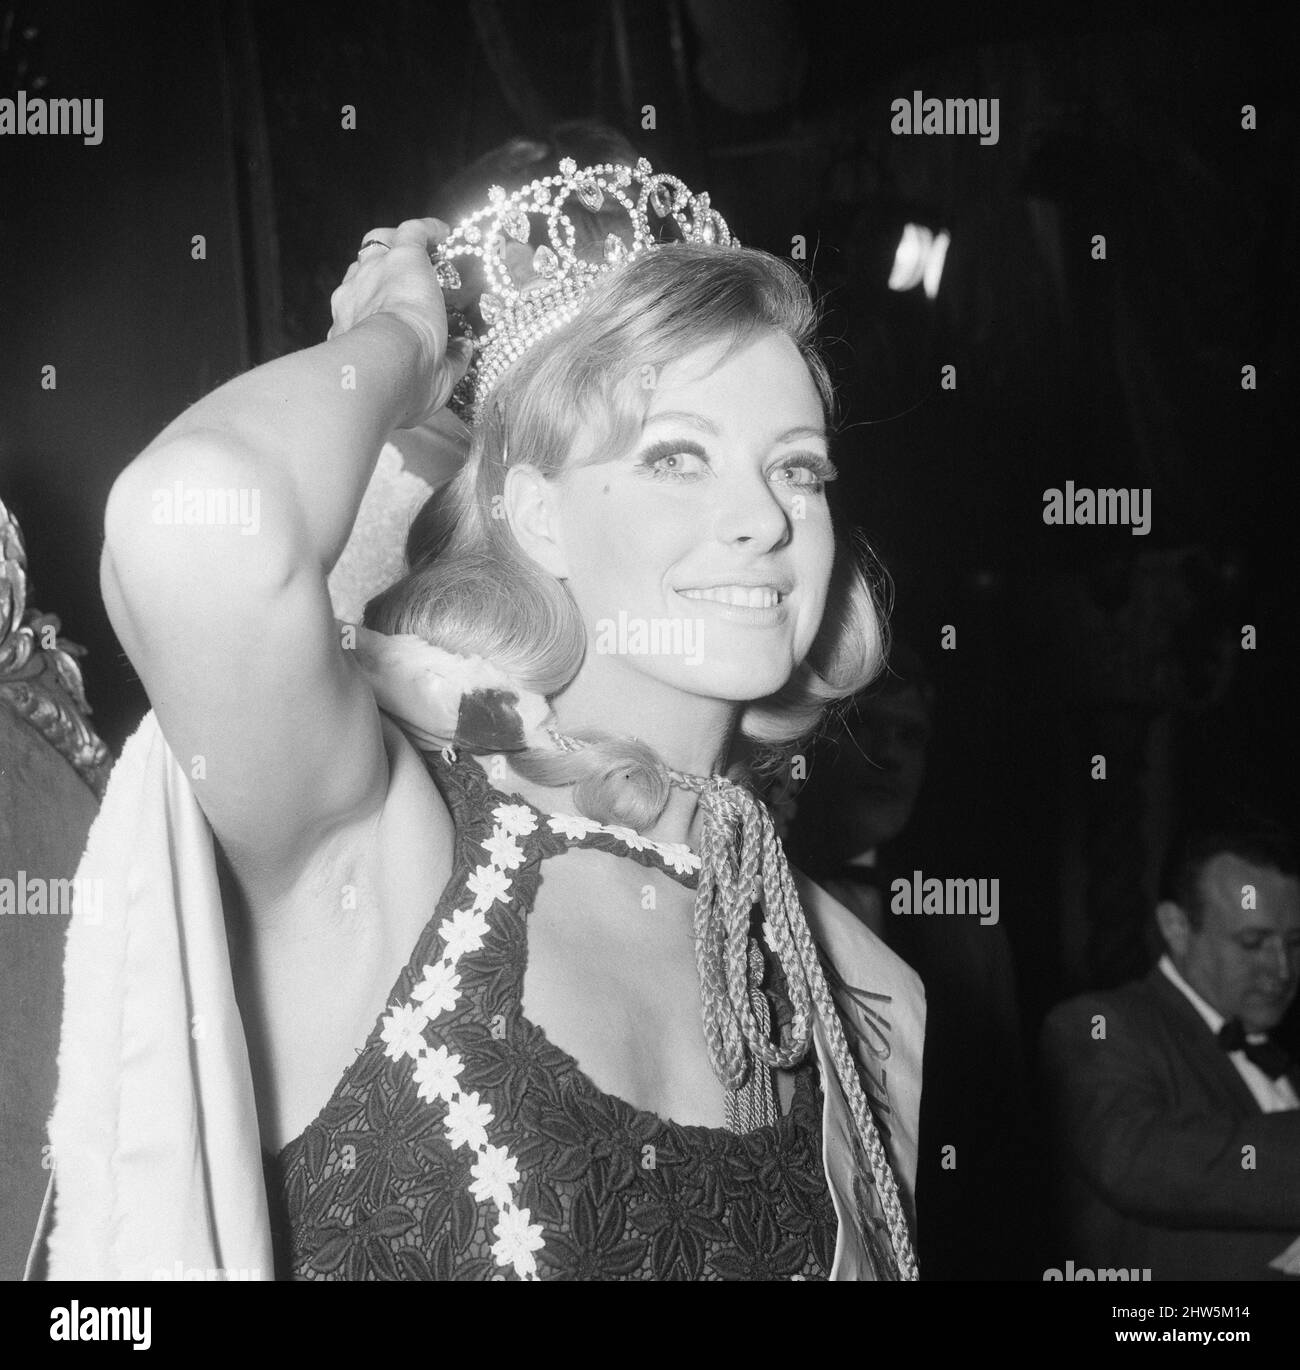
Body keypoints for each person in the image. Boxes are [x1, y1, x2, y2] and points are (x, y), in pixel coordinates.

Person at [84, 157, 926, 1281]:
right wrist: (399, 342)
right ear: (538, 515)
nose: (761, 518)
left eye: (800, 470)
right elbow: (188, 526)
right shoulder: (392, 830)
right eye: (677, 454)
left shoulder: (865, 992)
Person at [1039, 815, 1300, 1280]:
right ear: (1176, 926)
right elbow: (1135, 1159)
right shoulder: (1098, 1025)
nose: (1280, 970)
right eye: (1253, 942)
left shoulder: (1281, 1054)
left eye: (1295, 943)